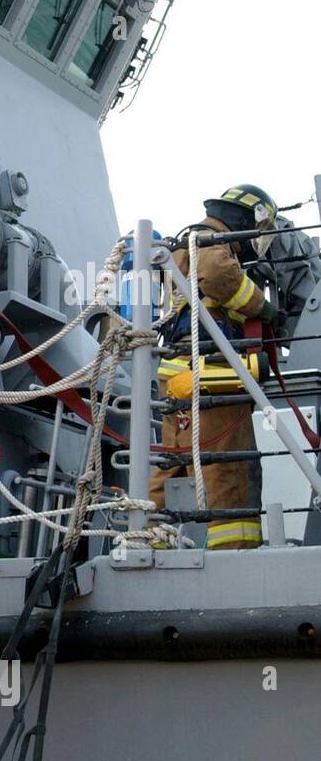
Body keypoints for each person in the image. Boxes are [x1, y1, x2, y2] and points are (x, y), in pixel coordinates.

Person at [148, 185, 285, 550]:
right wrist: (262, 307)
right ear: (247, 218)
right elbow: (216, 276)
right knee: (228, 469)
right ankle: (236, 555)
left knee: (175, 462)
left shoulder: (183, 244)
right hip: (211, 375)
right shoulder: (210, 242)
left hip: (178, 375)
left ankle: (150, 539)